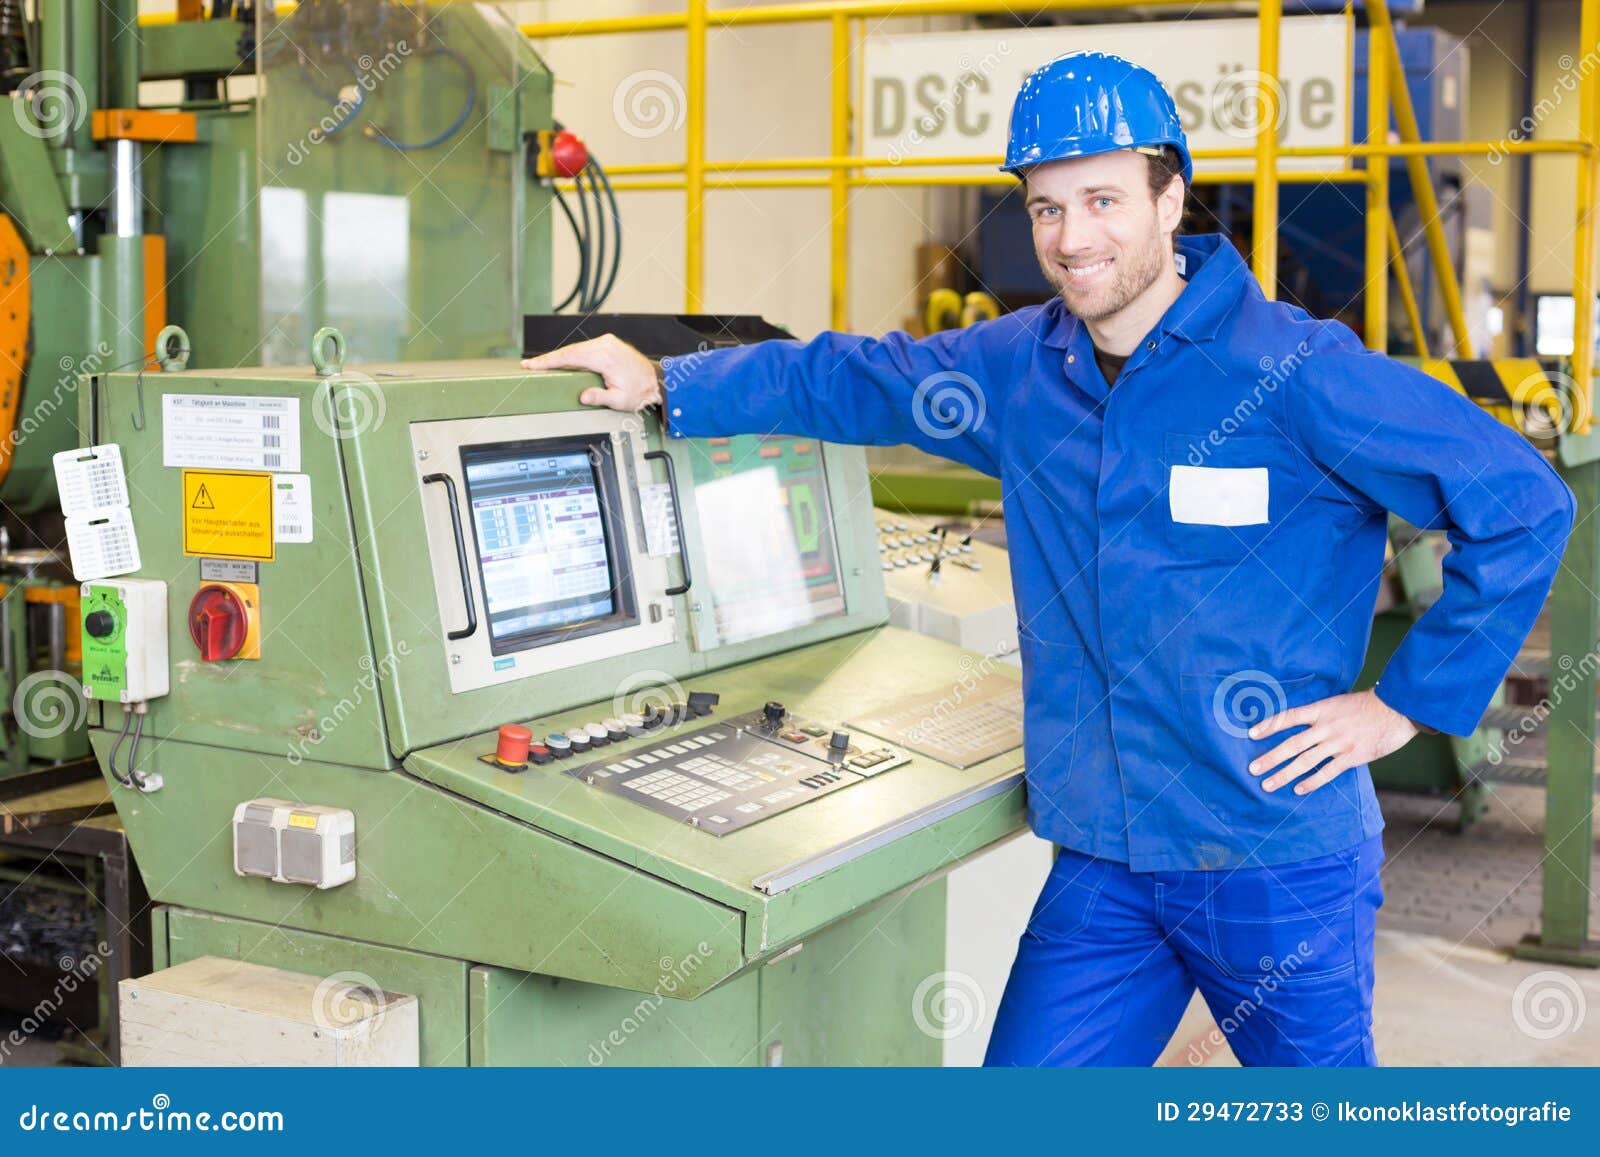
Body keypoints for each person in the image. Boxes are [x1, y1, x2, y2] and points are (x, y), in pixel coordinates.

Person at [522, 51, 1574, 1066]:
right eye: (1046, 207)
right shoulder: (1021, 366)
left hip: (1271, 856)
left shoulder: (1296, 372)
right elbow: (857, 377)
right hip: (1107, 865)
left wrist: (1403, 704)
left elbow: (1521, 504)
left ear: (1171, 201)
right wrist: (672, 380)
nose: (1072, 238)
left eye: (1105, 200)